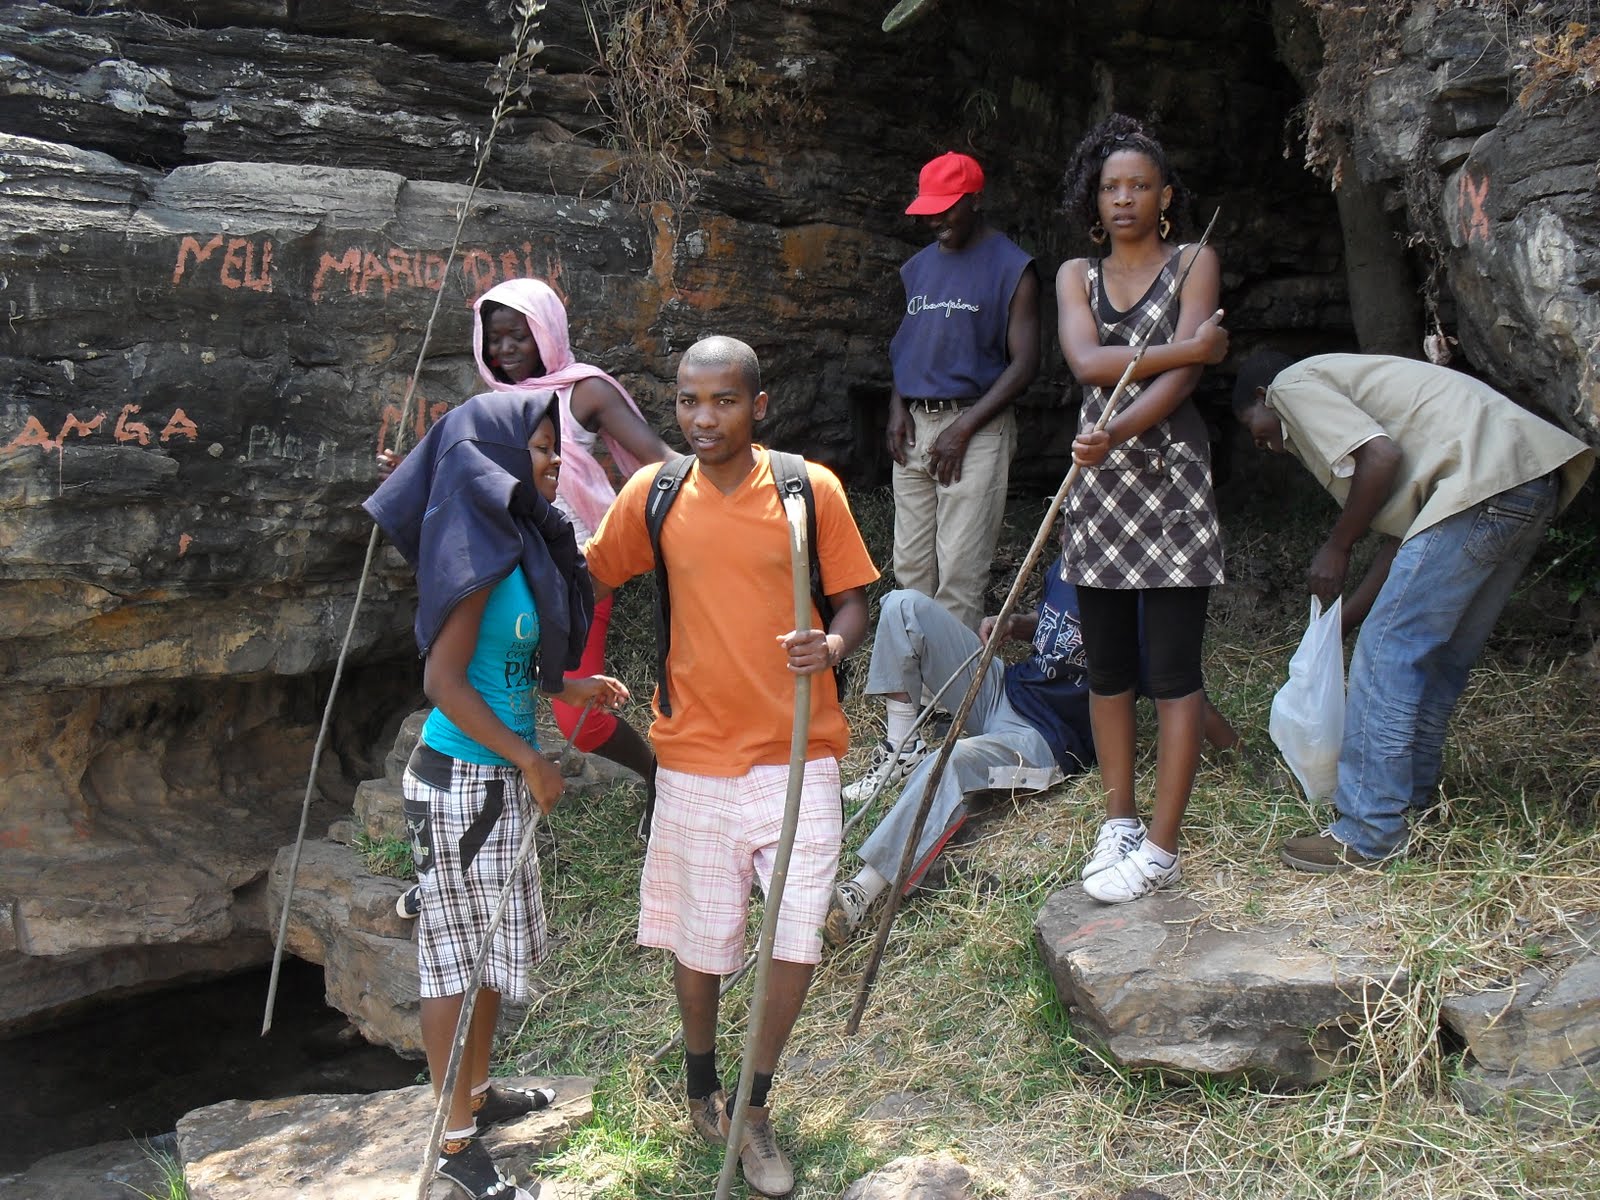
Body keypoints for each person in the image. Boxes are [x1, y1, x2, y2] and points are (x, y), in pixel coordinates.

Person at [582, 336, 878, 1197]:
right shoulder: (656, 492)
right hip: (696, 755)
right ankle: (701, 1082)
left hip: (798, 747)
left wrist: (830, 644)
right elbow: (590, 576)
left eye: (723, 402)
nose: (703, 419)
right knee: (703, 936)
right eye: (687, 402)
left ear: (758, 405)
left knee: (796, 932)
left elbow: (854, 599)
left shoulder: (803, 491)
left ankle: (753, 1105)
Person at [364, 390, 630, 1200]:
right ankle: (451, 1147)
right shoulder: (476, 547)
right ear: (498, 458)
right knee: (453, 962)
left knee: (482, 961)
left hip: (493, 777)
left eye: (555, 448)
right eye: (540, 449)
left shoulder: (516, 540)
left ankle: (476, 1101)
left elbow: (509, 663)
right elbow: (442, 681)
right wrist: (529, 757)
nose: (553, 461)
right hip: (460, 781)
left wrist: (574, 689)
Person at [1231, 350, 1593, 872]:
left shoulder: (1290, 384)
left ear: (1263, 398)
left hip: (1481, 489)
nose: (1262, 444)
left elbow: (1380, 456)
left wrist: (1337, 545)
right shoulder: (1350, 391)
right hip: (1523, 482)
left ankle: (1368, 830)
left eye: (1254, 427)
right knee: (1436, 658)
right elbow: (1406, 543)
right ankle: (1412, 808)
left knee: (1388, 655)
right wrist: (1340, 625)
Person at [389, 280, 674, 919]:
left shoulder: (584, 392)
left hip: (577, 572)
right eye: (495, 339)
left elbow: (660, 462)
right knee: (485, 680)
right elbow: (463, 473)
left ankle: (657, 775)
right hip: (510, 567)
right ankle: (443, 870)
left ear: (548, 330)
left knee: (575, 718)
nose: (508, 348)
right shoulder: (498, 409)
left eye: (520, 334)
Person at [826, 564, 1239, 944]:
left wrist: (1235, 750)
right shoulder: (1064, 567)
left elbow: (1179, 690)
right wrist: (1017, 624)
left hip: (1045, 738)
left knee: (949, 760)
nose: (1065, 525)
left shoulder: (1134, 597)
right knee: (903, 605)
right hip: (1005, 688)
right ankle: (904, 750)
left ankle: (861, 891)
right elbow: (1057, 629)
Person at [1055, 114, 1230, 904]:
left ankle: (1161, 847)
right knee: (1109, 668)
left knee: (1172, 671)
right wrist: (1191, 346)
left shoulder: (1196, 260)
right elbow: (1088, 360)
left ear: (1165, 197)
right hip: (1098, 488)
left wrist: (1118, 425)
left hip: (1170, 481)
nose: (1124, 198)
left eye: (1139, 185)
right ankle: (1118, 820)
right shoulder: (1074, 277)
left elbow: (1180, 387)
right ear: (1095, 201)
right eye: (1110, 187)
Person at [885, 150, 1041, 633]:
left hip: (977, 425)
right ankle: (910, 692)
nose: (936, 220)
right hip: (914, 425)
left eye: (948, 208)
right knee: (910, 567)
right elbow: (908, 347)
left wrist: (964, 428)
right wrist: (897, 406)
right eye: (929, 209)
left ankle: (950, 699)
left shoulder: (1013, 268)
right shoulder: (917, 268)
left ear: (976, 199)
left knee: (959, 572)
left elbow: (1026, 364)